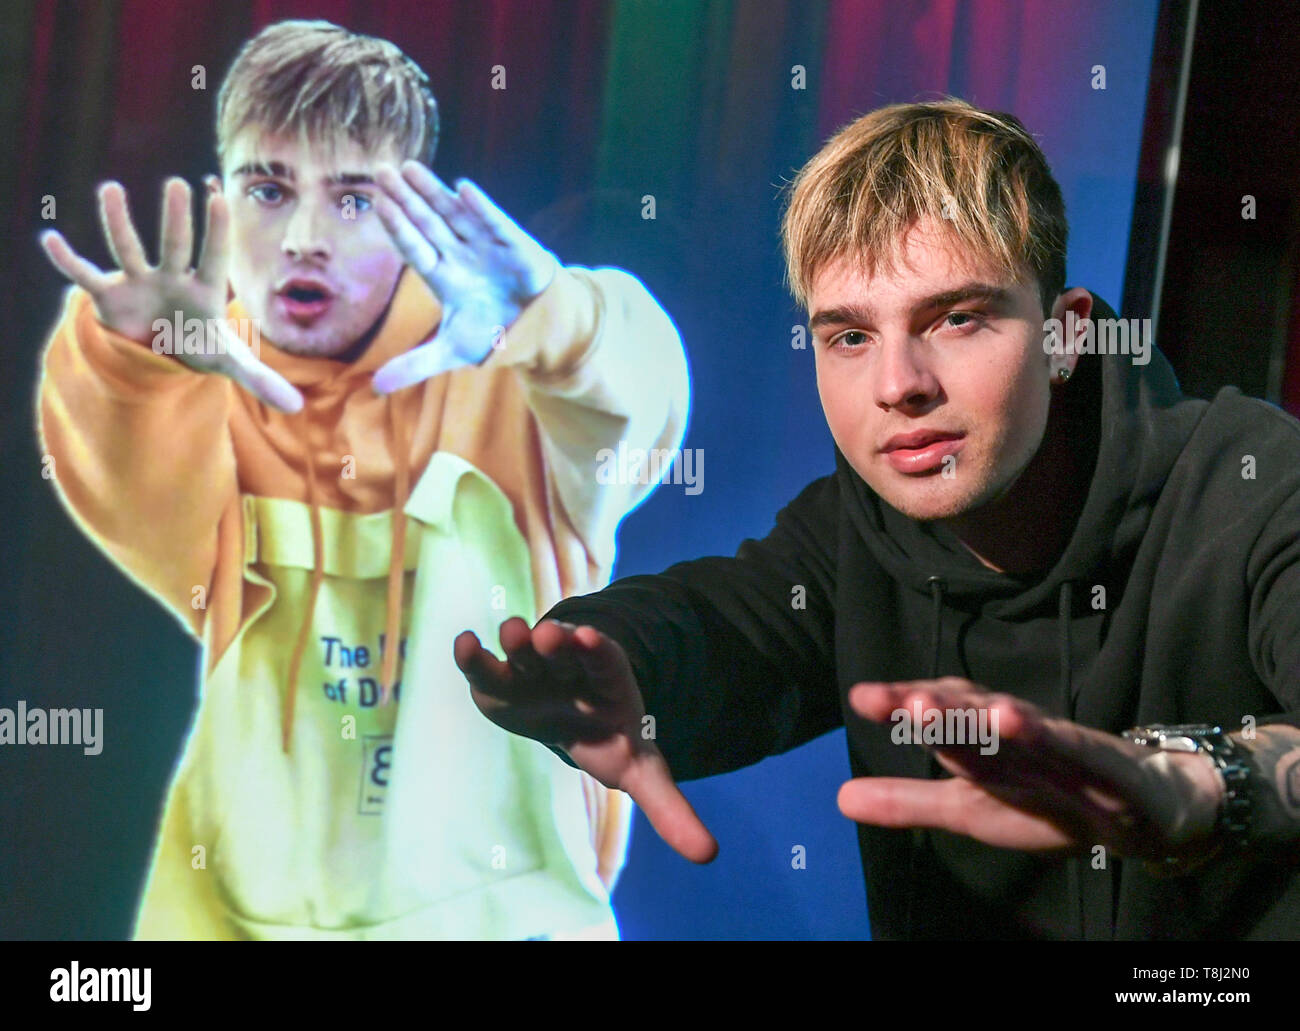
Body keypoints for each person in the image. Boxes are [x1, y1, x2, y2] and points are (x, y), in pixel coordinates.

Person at [457, 98, 1300, 940]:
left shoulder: (1253, 486)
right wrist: (604, 657)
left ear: (1064, 336)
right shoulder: (857, 532)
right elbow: (721, 621)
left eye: (956, 318)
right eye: (850, 337)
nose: (899, 383)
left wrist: (1202, 786)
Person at [36, 19, 689, 941]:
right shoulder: (211, 393)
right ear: (225, 195)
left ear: (413, 205)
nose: (303, 237)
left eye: (352, 199)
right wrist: (137, 361)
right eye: (269, 188)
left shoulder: (520, 380)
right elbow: (114, 463)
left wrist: (557, 318)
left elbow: (645, 389)